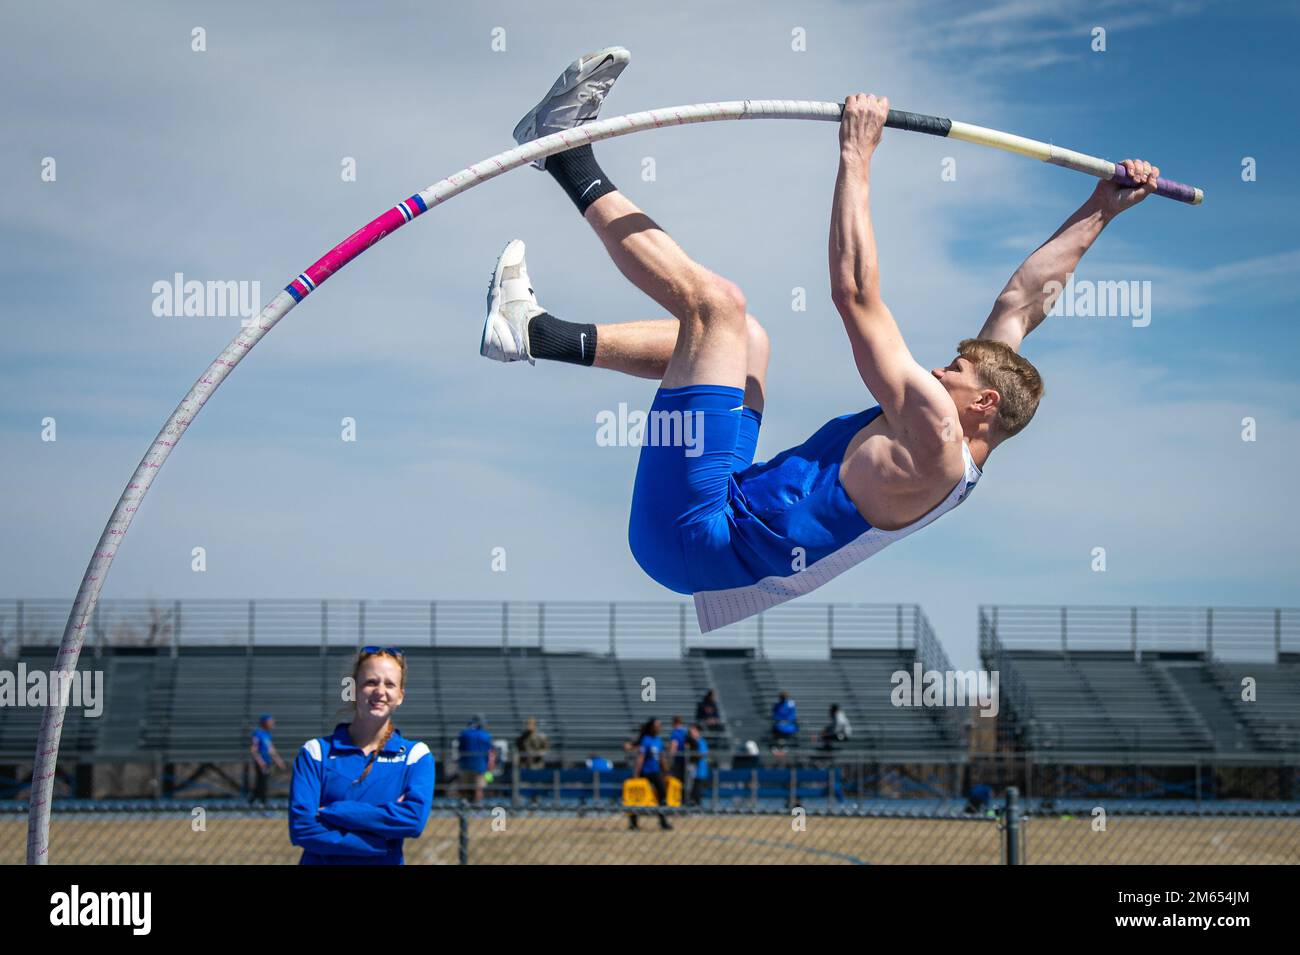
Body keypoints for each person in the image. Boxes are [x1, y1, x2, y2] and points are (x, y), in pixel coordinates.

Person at [480, 49, 1164, 633]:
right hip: (722, 509)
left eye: (952, 368)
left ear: (983, 404)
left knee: (717, 306)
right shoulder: (966, 423)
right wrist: (1102, 207)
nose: (935, 368)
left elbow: (855, 295)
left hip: (696, 537)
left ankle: (566, 151)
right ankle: (535, 333)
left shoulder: (933, 441)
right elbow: (1024, 299)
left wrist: (855, 155)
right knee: (744, 342)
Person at [288, 646, 434, 865]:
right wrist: (379, 844)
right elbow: (303, 829)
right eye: (371, 682)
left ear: (401, 695)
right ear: (353, 688)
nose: (380, 691)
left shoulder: (415, 756)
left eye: (390, 684)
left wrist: (339, 811)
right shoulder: (316, 753)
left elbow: (413, 821)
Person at [629, 718, 672, 831]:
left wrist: (666, 770)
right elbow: (641, 758)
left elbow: (662, 757)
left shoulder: (658, 740)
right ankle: (633, 822)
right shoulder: (646, 740)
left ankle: (663, 821)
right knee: (638, 795)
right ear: (652, 727)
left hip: (656, 772)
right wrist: (636, 774)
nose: (659, 728)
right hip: (646, 772)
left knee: (662, 794)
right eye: (657, 725)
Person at [456, 714, 496, 804]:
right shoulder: (485, 735)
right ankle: (477, 807)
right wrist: (490, 766)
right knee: (478, 788)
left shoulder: (464, 734)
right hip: (480, 766)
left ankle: (462, 807)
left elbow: (460, 749)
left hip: (465, 765)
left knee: (464, 788)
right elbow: (490, 752)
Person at [249, 713, 286, 805]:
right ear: (264, 723)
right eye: (270, 722)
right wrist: (260, 761)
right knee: (261, 782)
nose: (272, 723)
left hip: (267, 761)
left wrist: (278, 760)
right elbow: (254, 749)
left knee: (262, 782)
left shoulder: (267, 734)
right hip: (261, 762)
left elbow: (271, 749)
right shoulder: (257, 734)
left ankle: (253, 801)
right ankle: (262, 802)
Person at [686, 723, 709, 806]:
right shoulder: (691, 743)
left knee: (697, 790)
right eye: (690, 732)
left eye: (693, 732)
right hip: (693, 772)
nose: (692, 734)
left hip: (699, 770)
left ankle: (696, 807)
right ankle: (693, 806)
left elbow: (702, 754)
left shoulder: (701, 742)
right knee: (692, 790)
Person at [667, 715, 688, 782]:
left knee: (677, 780)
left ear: (674, 723)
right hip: (686, 759)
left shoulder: (675, 733)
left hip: (678, 760)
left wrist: (669, 760)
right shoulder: (686, 731)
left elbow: (674, 746)